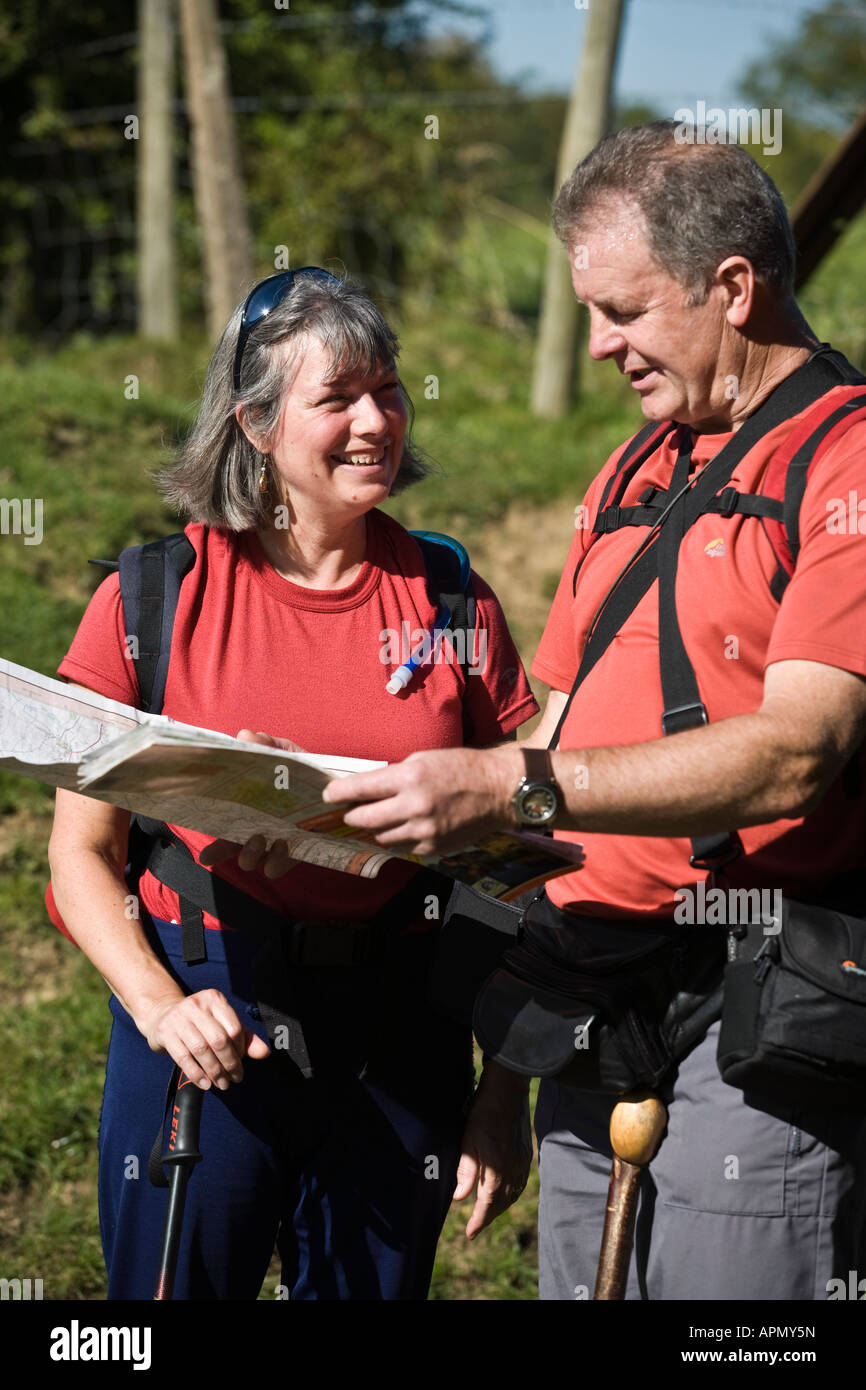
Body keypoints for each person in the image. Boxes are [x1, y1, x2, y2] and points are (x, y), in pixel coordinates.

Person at [323, 123, 866, 1300]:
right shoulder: (627, 474)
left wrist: (503, 781)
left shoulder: (846, 459)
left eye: (621, 310)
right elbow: (552, 751)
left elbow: (796, 753)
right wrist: (500, 1074)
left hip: (759, 1003)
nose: (596, 346)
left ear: (731, 288)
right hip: (582, 997)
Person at [48, 267, 538, 1300]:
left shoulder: (448, 591)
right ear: (258, 426)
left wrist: (502, 1088)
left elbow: (519, 859)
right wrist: (160, 1007)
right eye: (338, 398)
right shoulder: (152, 597)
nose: (376, 421)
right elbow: (79, 856)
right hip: (207, 1008)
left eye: (388, 388)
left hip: (403, 1022)